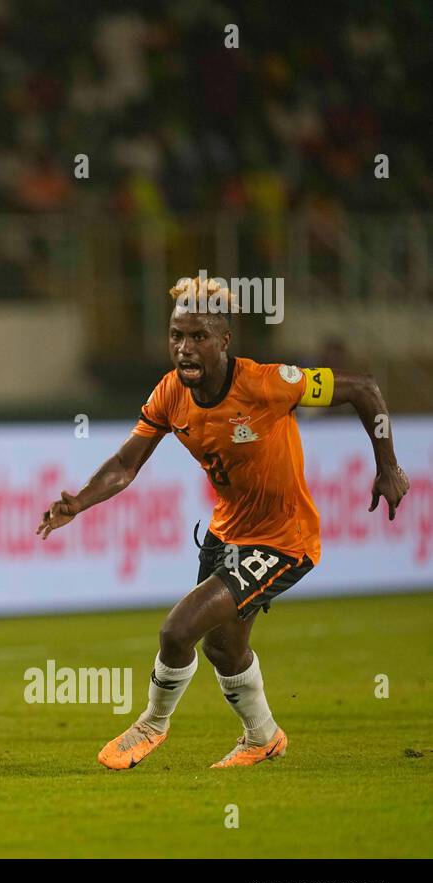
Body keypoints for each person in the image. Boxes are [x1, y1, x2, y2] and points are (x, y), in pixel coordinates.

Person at [37, 276, 409, 769]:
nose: (184, 349)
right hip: (226, 533)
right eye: (176, 336)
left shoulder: (268, 383)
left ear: (224, 340)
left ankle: (151, 723)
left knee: (177, 630)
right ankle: (263, 736)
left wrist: (387, 465)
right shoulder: (171, 393)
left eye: (198, 337)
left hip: (283, 539)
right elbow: (127, 464)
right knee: (223, 647)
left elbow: (364, 388)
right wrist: (79, 501)